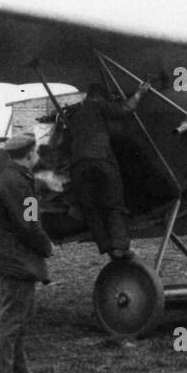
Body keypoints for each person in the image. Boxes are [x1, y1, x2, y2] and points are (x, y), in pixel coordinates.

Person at [0, 134, 54, 373]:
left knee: (21, 317)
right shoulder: (17, 182)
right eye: (36, 151)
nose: (37, 155)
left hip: (16, 259)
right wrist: (46, 245)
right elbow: (28, 223)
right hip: (17, 261)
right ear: (29, 154)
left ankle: (20, 370)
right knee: (12, 318)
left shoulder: (15, 178)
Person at [65, 78, 150, 259]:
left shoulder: (76, 114)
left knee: (90, 209)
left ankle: (106, 247)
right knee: (114, 205)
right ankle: (119, 246)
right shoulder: (99, 105)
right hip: (101, 160)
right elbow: (126, 109)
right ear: (100, 96)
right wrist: (139, 93)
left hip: (79, 166)